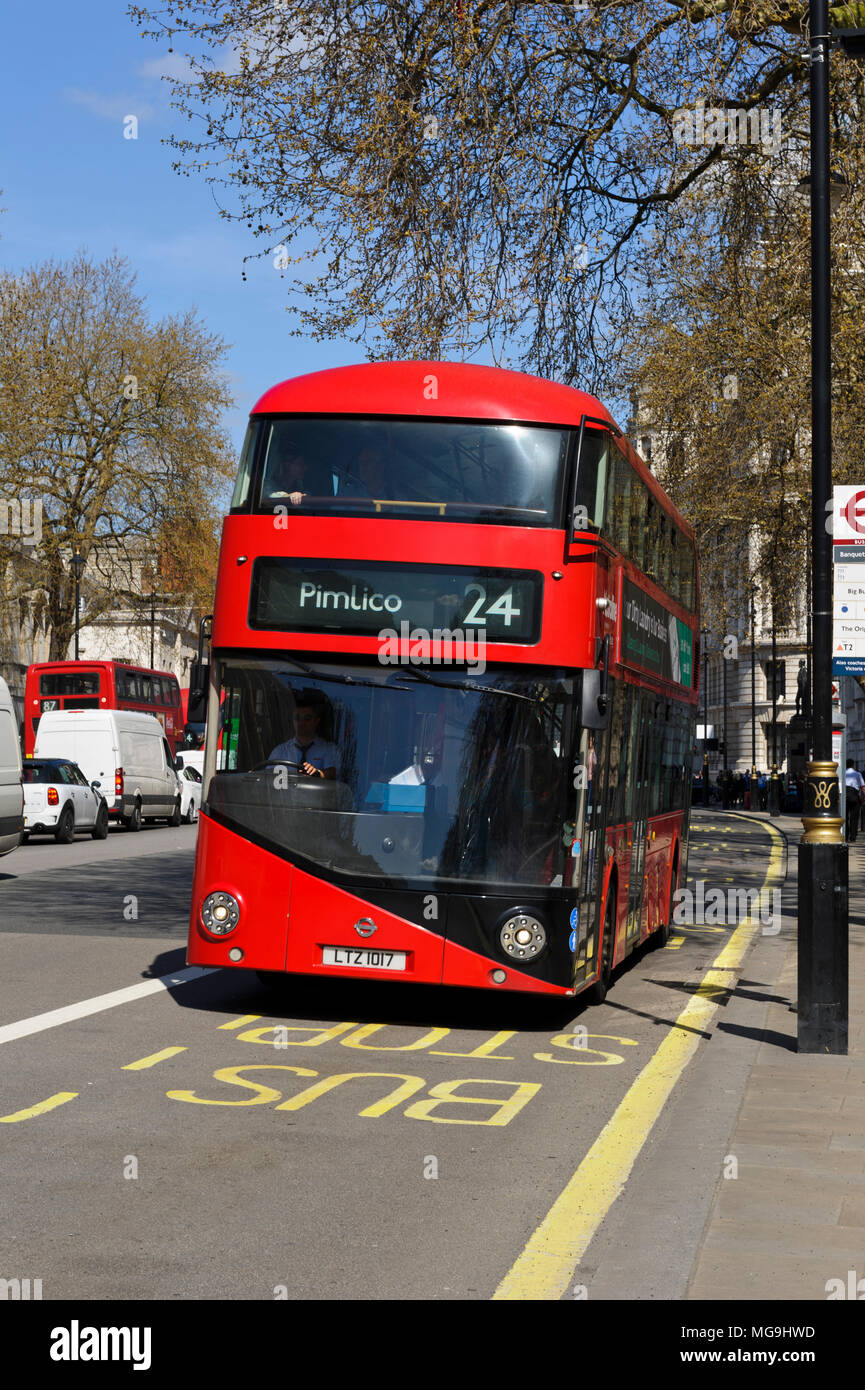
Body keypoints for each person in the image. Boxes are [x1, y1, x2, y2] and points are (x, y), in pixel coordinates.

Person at [269, 691, 339, 779]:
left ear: (316, 721)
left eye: (307, 719)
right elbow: (267, 776)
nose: (301, 723)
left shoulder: (328, 749)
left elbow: (333, 773)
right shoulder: (280, 751)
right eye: (297, 718)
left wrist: (319, 773)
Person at [263, 440, 309, 506]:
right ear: (287, 465)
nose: (304, 468)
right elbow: (268, 494)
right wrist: (288, 496)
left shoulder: (300, 487)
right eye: (300, 464)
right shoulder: (268, 484)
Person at [845, 759, 863, 843]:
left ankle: (845, 835)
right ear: (853, 765)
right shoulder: (857, 774)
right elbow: (863, 787)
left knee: (845, 817)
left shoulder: (842, 773)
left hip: (845, 796)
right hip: (854, 796)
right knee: (854, 817)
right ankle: (853, 837)